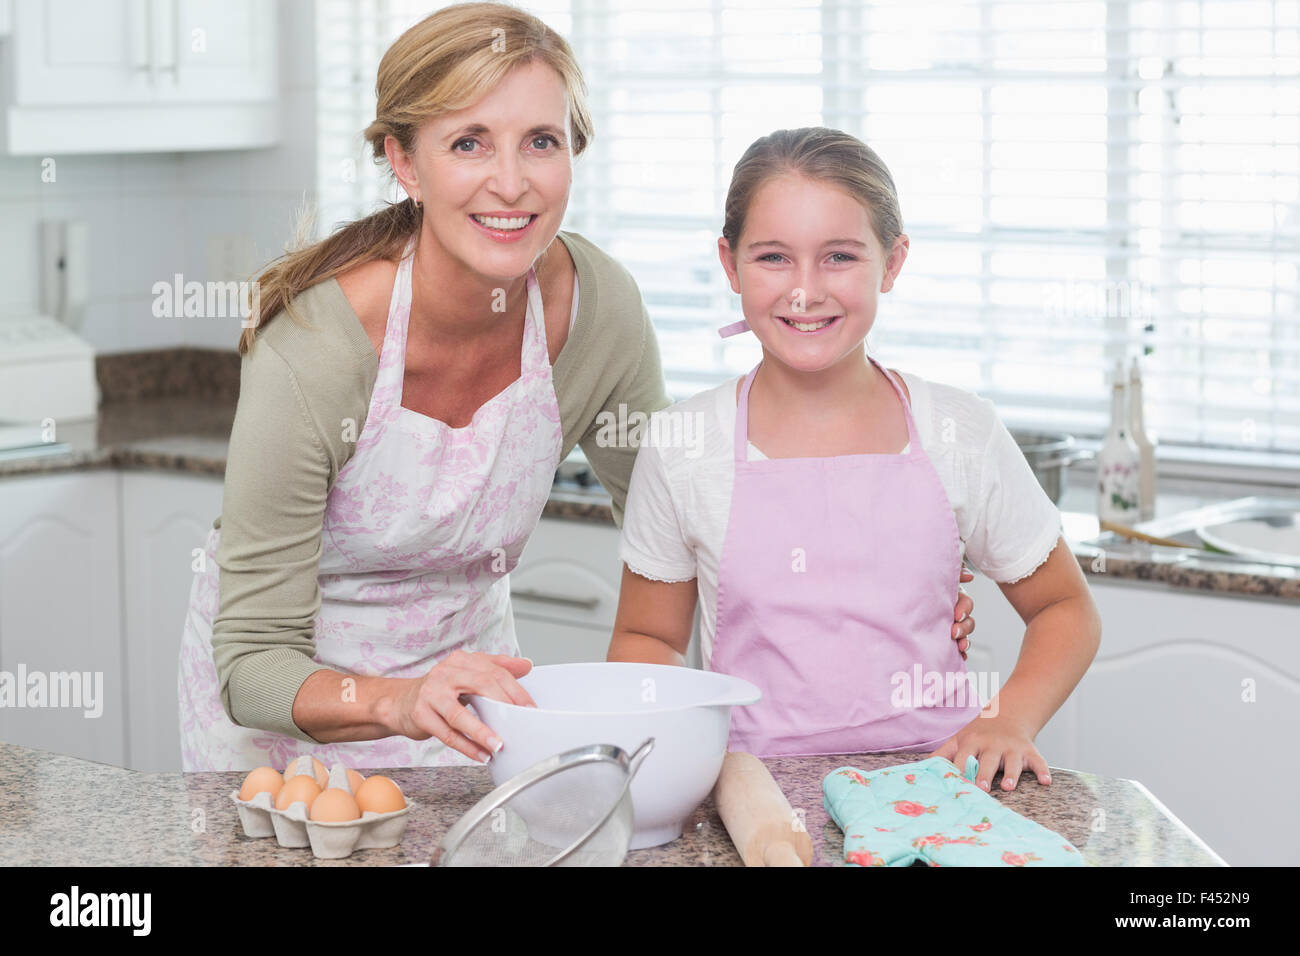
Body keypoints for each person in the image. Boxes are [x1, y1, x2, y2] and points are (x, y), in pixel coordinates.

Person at [178, 5, 977, 772]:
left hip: (478, 710)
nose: (511, 182)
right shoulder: (316, 346)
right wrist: (397, 700)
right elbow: (251, 662)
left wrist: (873, 590)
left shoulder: (597, 312)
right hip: (297, 726)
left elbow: (688, 522)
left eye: (540, 142)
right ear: (403, 162)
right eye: (468, 143)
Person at [610, 127, 1101, 793]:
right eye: (773, 258)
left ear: (892, 262)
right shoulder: (682, 445)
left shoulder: (961, 431)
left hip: (943, 788)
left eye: (839, 256)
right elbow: (648, 637)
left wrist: (1007, 719)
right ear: (729, 264)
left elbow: (1066, 609)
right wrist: (674, 760)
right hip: (752, 790)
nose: (805, 292)